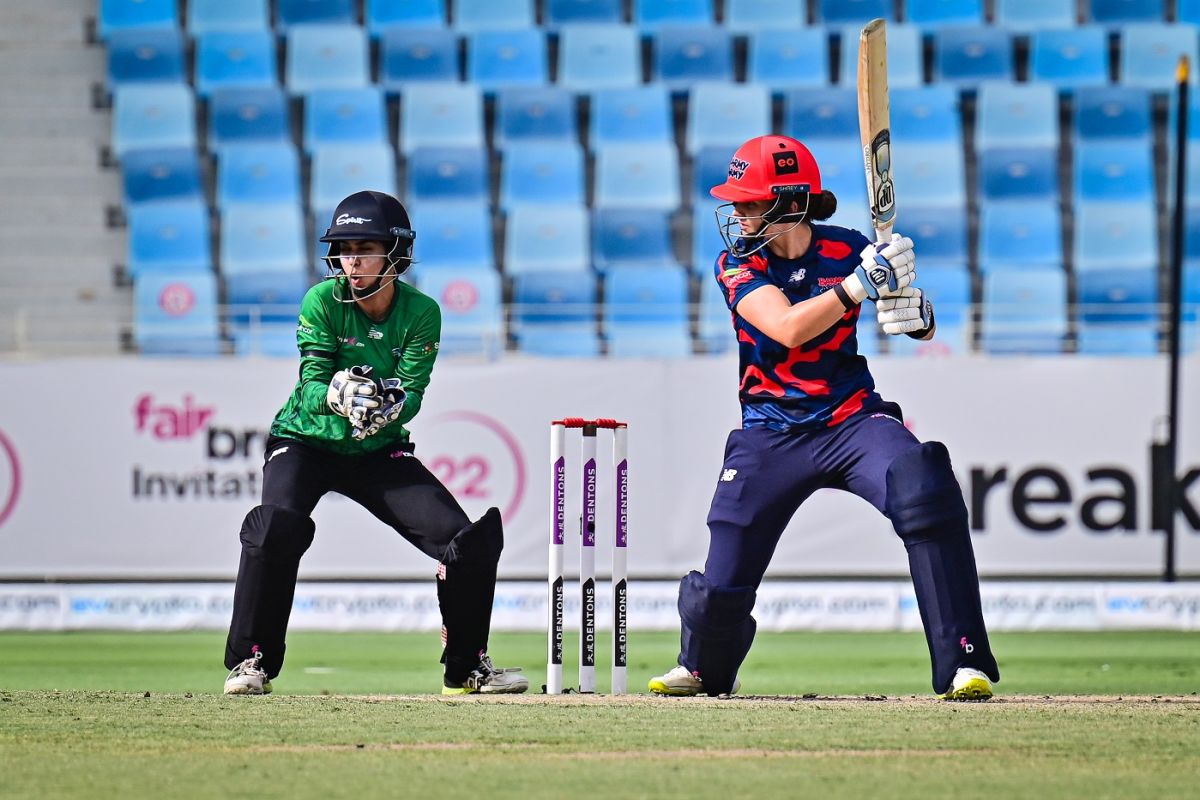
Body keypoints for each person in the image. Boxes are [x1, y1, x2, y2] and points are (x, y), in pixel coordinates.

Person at [648, 135, 999, 701]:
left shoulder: (851, 248)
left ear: (788, 203)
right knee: (721, 577)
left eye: (748, 201)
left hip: (850, 419)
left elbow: (915, 322)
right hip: (769, 432)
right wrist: (859, 286)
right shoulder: (738, 261)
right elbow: (786, 327)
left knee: (923, 484)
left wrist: (916, 314)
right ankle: (704, 665)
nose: (736, 213)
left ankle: (963, 661)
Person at [223, 190, 528, 696]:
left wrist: (389, 405)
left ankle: (467, 666)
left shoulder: (422, 312)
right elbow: (312, 382)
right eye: (344, 249)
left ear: (397, 254)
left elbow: (413, 394)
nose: (352, 261)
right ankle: (251, 662)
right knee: (274, 529)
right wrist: (340, 394)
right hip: (306, 440)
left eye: (365, 248)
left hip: (377, 448)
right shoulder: (321, 300)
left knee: (467, 541)